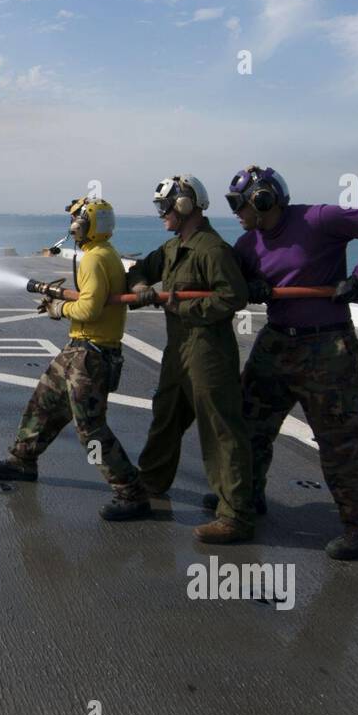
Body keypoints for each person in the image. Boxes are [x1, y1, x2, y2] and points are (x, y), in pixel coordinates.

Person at [208, 165, 358, 559]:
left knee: (338, 439)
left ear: (263, 199)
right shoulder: (248, 245)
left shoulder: (320, 219)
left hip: (326, 346)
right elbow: (229, 278)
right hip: (277, 341)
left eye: (238, 204)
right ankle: (246, 498)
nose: (236, 213)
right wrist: (250, 287)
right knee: (249, 426)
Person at [0, 197, 151, 521]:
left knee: (90, 429)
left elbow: (89, 309)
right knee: (43, 402)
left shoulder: (92, 259)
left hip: (91, 355)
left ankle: (131, 492)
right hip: (80, 349)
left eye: (76, 220)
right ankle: (22, 460)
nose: (73, 226)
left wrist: (57, 309)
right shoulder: (106, 253)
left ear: (83, 224)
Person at [125, 175, 257, 541]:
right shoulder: (171, 249)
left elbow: (232, 297)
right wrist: (140, 287)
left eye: (164, 207)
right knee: (166, 416)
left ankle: (235, 516)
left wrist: (181, 306)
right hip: (177, 349)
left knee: (219, 430)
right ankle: (151, 482)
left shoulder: (212, 250)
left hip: (208, 351)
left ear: (185, 205)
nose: (161, 214)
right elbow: (139, 270)